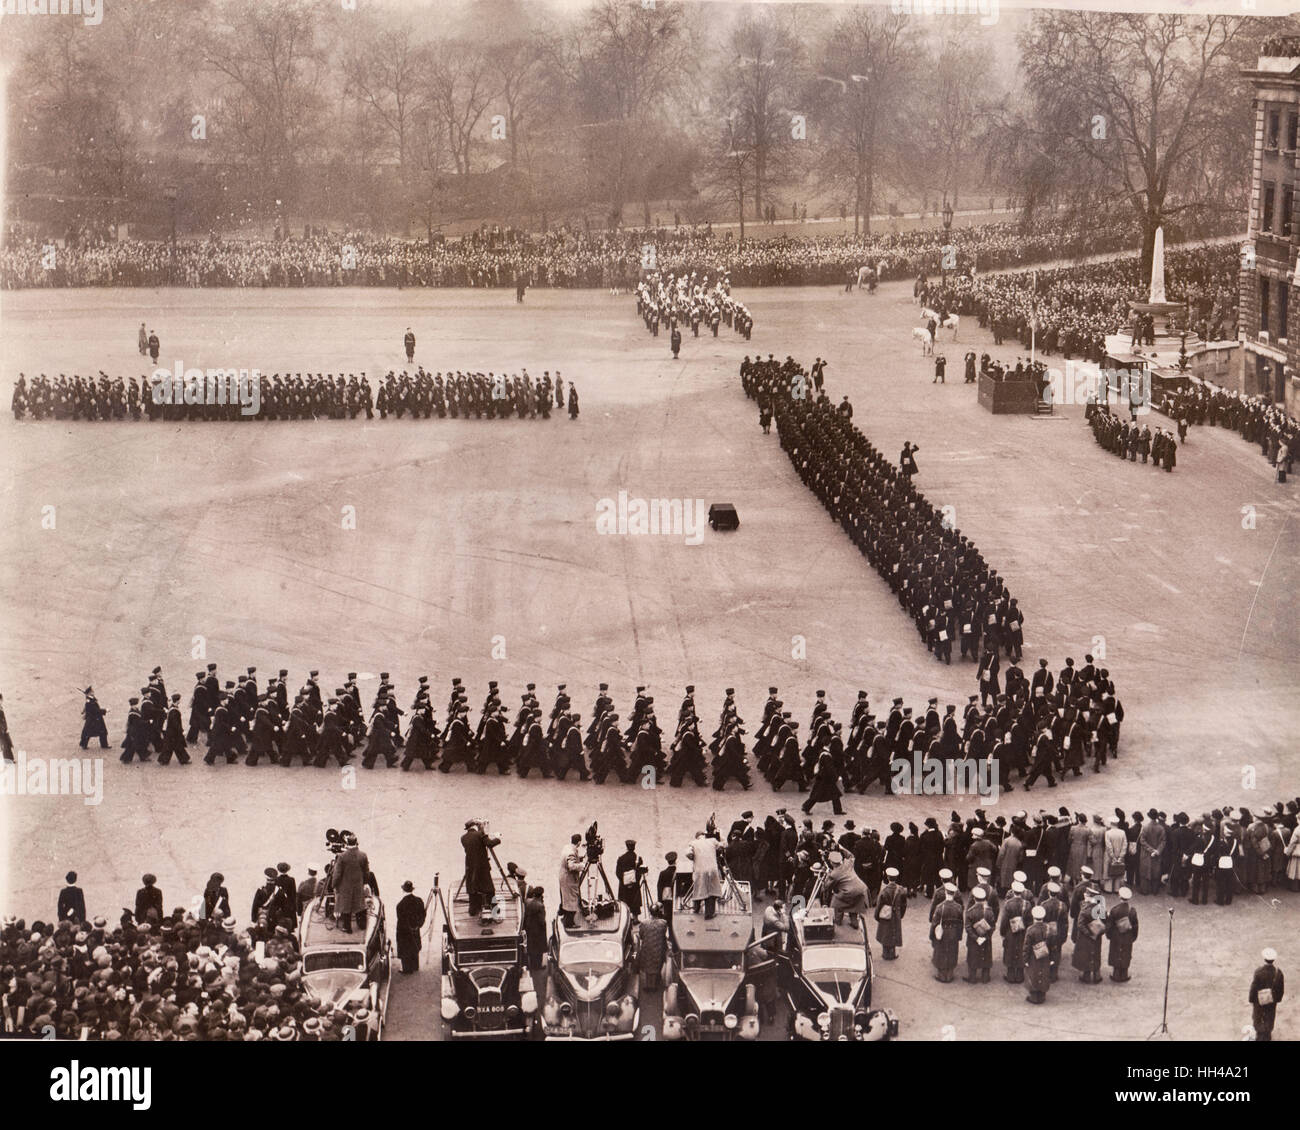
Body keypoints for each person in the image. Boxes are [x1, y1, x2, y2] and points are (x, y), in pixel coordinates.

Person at [331, 833, 370, 933]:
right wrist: (365, 882)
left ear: (347, 843)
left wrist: (334, 884)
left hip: (345, 886)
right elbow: (366, 871)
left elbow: (337, 873)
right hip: (358, 885)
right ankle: (362, 925)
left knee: (346, 906)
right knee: (359, 905)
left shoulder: (342, 857)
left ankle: (347, 928)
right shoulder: (363, 855)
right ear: (357, 843)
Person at [461, 819, 500, 918]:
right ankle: (494, 909)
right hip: (482, 866)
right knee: (489, 888)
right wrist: (497, 838)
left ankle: (473, 909)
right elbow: (490, 843)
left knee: (472, 887)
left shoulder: (463, 838)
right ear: (476, 825)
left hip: (470, 866)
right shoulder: (480, 834)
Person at [930, 882, 964, 982]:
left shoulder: (940, 907)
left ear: (945, 892)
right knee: (952, 952)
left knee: (941, 951)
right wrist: (959, 935)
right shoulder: (958, 907)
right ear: (954, 894)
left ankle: (941, 975)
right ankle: (950, 974)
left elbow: (934, 923)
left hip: (943, 932)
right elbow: (961, 923)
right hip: (953, 932)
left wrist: (932, 935)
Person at [1249, 948, 1284, 1041]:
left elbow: (1254, 987)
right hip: (1271, 999)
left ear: (1264, 959)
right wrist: (1277, 999)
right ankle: (1267, 1035)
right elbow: (1281, 989)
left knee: (1258, 1016)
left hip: (1259, 1000)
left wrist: (1251, 999)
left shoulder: (1258, 972)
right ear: (1274, 960)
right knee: (1270, 1016)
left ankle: (1260, 1035)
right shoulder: (1278, 972)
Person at [687, 829, 724, 919]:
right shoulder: (712, 841)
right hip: (712, 869)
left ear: (697, 837)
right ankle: (709, 914)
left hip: (700, 870)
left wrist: (694, 857)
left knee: (699, 888)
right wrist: (721, 835)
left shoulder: (693, 843)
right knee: (711, 891)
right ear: (704, 835)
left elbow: (688, 853)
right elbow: (723, 846)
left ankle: (696, 909)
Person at [1105, 886, 1138, 982]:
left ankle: (1115, 974)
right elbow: (1135, 926)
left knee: (1116, 953)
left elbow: (1109, 925)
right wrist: (1133, 937)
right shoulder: (1132, 911)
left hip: (1116, 936)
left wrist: (1109, 935)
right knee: (1126, 954)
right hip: (1127, 936)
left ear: (1119, 897)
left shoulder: (1114, 910)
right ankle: (1124, 974)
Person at [1023, 904, 1052, 1004]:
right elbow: (1052, 944)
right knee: (1044, 974)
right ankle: (1042, 995)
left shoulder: (1031, 930)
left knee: (1033, 974)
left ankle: (1034, 997)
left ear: (1033, 917)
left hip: (1033, 957)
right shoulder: (1048, 928)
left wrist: (1025, 960)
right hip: (1046, 955)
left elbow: (1026, 946)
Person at [395, 880, 426, 974]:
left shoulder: (400, 905)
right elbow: (423, 914)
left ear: (403, 890)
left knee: (405, 949)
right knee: (414, 946)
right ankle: (415, 966)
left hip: (404, 931)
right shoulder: (419, 900)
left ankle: (407, 969)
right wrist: (418, 925)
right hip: (415, 928)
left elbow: (400, 919)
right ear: (412, 890)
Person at [875, 866, 906, 959]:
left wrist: (877, 916)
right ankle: (892, 953)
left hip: (886, 914)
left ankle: (885, 953)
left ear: (888, 877)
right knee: (894, 932)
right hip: (896, 914)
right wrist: (901, 914)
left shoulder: (884, 891)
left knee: (885, 933)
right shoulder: (901, 890)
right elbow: (904, 904)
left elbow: (879, 904)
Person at [523, 886, 549, 1000]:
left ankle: (532, 964)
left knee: (531, 947)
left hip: (530, 931)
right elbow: (542, 921)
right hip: (538, 932)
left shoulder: (528, 903)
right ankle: (537, 967)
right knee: (538, 949)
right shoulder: (540, 906)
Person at [615, 839, 646, 917]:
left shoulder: (621, 858)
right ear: (634, 847)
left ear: (627, 847)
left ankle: (626, 918)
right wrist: (635, 880)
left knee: (624, 902)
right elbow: (638, 871)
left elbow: (618, 873)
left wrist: (623, 881)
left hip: (623, 885)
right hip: (634, 884)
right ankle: (635, 918)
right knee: (635, 901)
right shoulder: (637, 858)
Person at [558, 834, 583, 928]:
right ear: (579, 842)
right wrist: (582, 865)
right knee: (571, 899)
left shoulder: (567, 847)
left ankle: (564, 916)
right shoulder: (571, 852)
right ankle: (569, 923)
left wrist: (578, 859)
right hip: (569, 879)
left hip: (564, 876)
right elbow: (571, 866)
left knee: (566, 898)